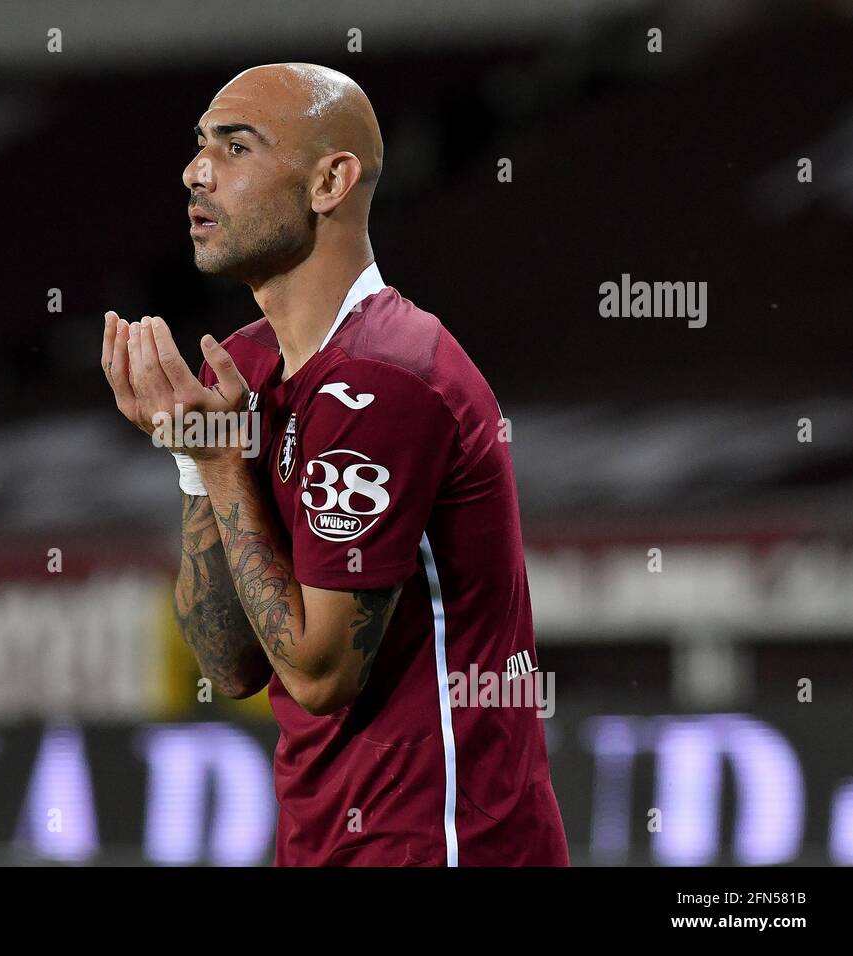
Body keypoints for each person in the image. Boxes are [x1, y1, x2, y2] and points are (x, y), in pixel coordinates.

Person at [101, 63, 568, 866]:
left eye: (236, 146)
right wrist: (193, 467)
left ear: (330, 181)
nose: (195, 170)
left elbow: (321, 676)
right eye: (200, 144)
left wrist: (220, 469)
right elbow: (231, 665)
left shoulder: (385, 379)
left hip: (444, 843)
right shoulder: (246, 367)